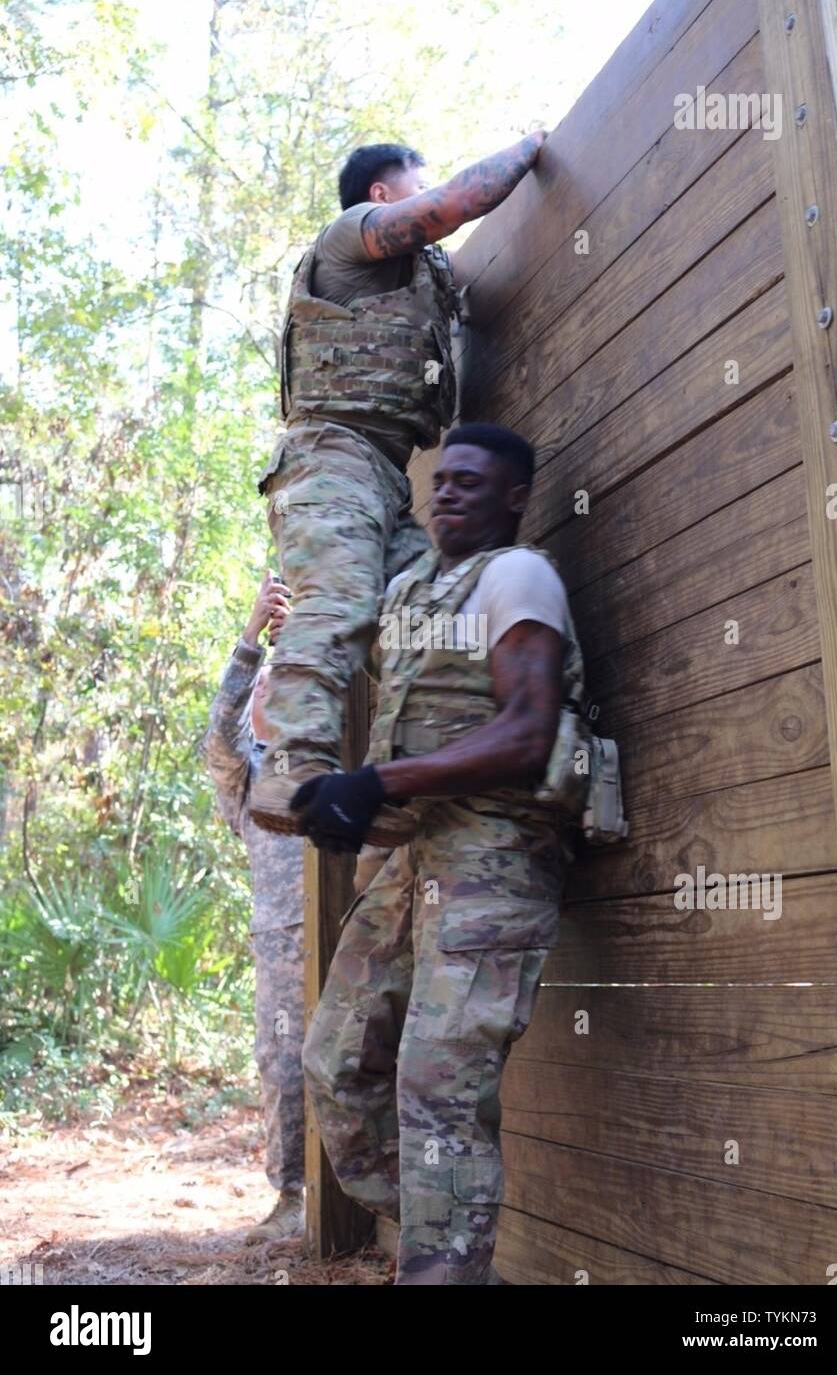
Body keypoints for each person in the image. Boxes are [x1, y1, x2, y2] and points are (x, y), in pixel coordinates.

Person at [295, 422, 582, 1284]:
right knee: (336, 1061)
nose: (446, 491)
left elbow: (528, 732)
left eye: (469, 481)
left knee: (438, 1094)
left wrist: (380, 781)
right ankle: (450, 1252)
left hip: (494, 859)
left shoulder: (517, 574)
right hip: (418, 858)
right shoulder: (424, 584)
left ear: (515, 496)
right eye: (441, 479)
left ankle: (440, 1269)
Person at [250, 134, 547, 844]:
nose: (427, 188)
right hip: (331, 454)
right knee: (341, 600)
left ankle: (395, 782)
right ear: (382, 195)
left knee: (422, 617)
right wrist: (533, 146)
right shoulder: (352, 235)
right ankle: (290, 767)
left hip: (382, 473)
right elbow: (455, 204)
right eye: (417, 180)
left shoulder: (417, 277)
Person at [202, 572, 306, 1243]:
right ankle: (292, 1195)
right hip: (281, 946)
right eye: (260, 687)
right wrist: (250, 639)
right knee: (281, 1060)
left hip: (351, 928)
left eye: (276, 682)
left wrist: (295, 636)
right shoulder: (246, 778)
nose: (265, 688)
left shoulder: (321, 756)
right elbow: (219, 732)